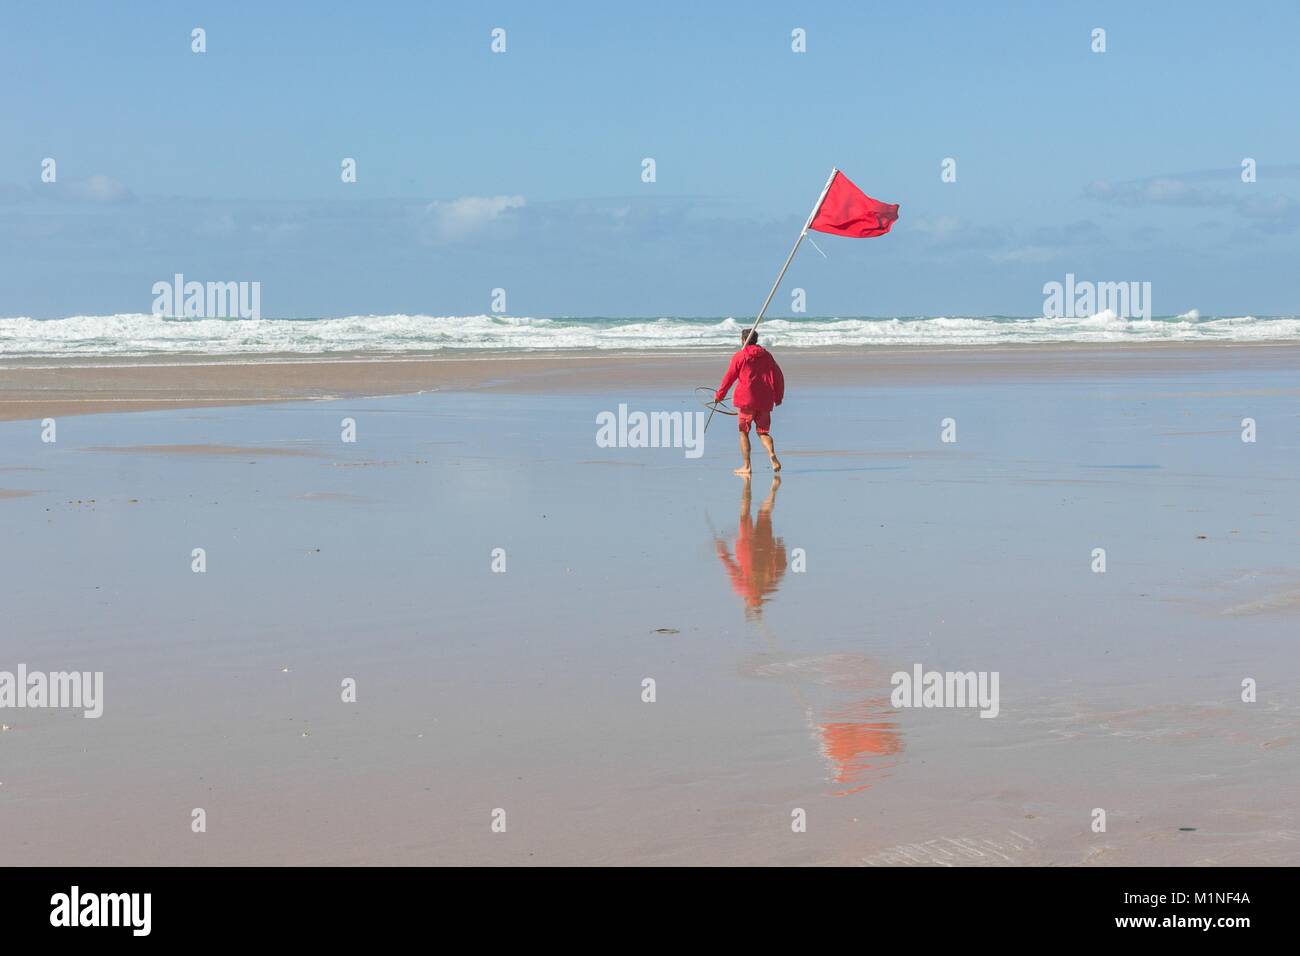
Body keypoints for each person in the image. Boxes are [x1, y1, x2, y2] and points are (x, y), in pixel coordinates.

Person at [715, 328, 784, 476]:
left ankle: (747, 466)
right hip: (765, 399)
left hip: (746, 400)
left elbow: (729, 377)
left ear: (742, 340)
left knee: (743, 432)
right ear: (756, 340)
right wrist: (778, 397)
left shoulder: (740, 356)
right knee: (763, 432)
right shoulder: (767, 356)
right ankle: (771, 453)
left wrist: (719, 395)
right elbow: (778, 376)